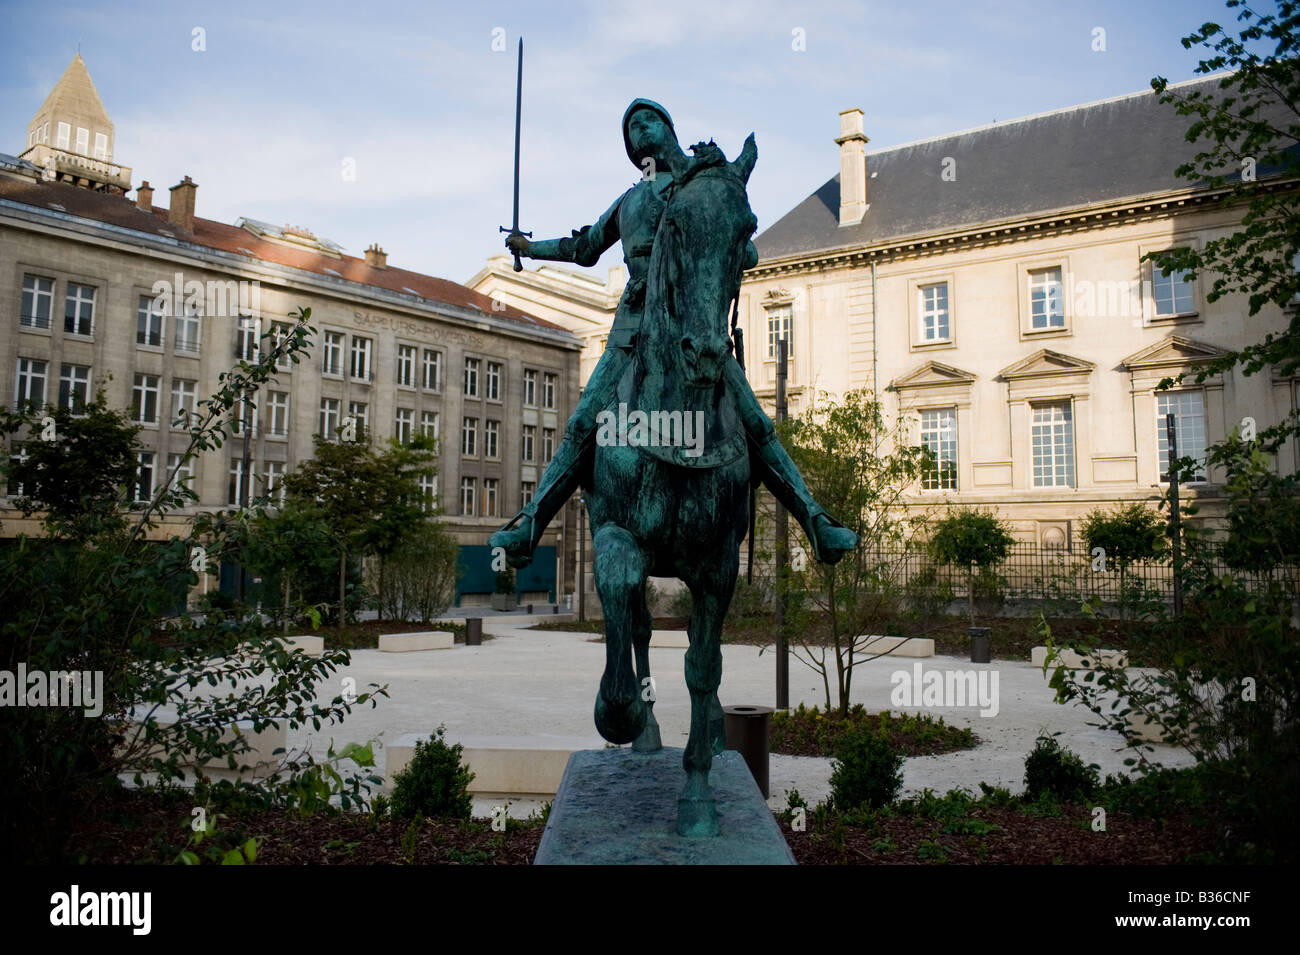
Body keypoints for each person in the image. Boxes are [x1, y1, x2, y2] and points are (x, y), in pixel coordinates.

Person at [489, 98, 857, 567]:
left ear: (668, 127)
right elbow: (583, 247)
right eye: (632, 126)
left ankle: (815, 520)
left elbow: (742, 252)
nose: (641, 129)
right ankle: (530, 523)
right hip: (632, 332)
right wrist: (529, 246)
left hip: (694, 328)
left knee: (757, 423)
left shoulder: (701, 186)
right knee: (584, 422)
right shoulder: (630, 200)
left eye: (649, 119)